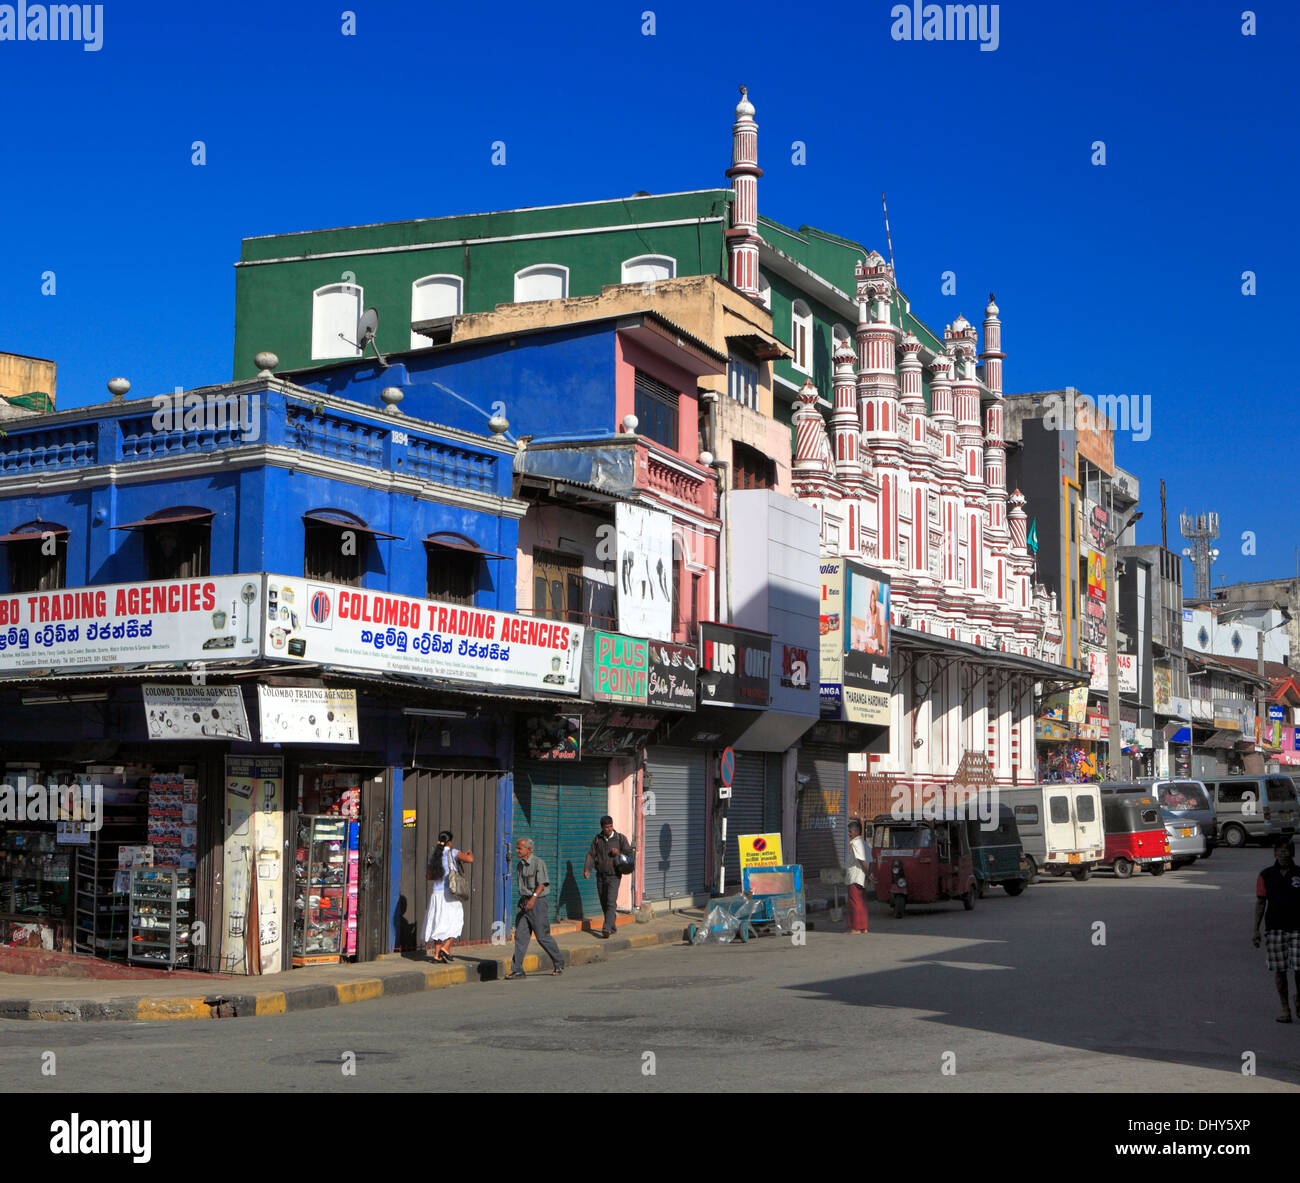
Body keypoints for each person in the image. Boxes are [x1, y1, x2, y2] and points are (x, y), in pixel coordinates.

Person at [1253, 839, 1300, 1022]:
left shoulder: (1299, 874)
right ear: (1275, 854)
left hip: (1297, 928)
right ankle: (1285, 1008)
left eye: (1287, 850)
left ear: (1292, 853)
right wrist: (1255, 930)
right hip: (1274, 929)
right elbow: (1260, 902)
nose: (1283, 854)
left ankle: (1299, 1000)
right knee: (1280, 971)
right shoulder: (1266, 875)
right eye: (1280, 850)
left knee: (1299, 969)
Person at [505, 837, 564, 979]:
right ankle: (517, 969)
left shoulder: (538, 863)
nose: (517, 850)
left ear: (529, 850)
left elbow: (542, 884)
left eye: (520, 848)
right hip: (524, 902)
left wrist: (533, 899)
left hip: (537, 902)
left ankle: (558, 962)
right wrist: (525, 901)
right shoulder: (520, 865)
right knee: (521, 936)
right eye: (517, 848)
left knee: (542, 937)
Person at [423, 830, 473, 964]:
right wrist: (469, 853)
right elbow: (470, 859)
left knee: (437, 923)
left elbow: (428, 876)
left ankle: (437, 955)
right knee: (457, 921)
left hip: (436, 895)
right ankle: (445, 948)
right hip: (449, 894)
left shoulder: (434, 856)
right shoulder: (453, 852)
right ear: (450, 842)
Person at [583, 814, 633, 938]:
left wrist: (618, 852)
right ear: (602, 827)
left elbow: (629, 854)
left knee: (611, 901)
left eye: (611, 826)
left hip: (614, 875)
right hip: (600, 875)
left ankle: (606, 927)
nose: (609, 829)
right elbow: (591, 854)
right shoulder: (597, 839)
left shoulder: (620, 839)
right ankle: (612, 925)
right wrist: (587, 869)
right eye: (607, 827)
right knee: (604, 902)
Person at [845, 819, 872, 934]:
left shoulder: (856, 843)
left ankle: (856, 928)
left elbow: (862, 860)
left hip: (856, 877)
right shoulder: (866, 844)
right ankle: (863, 927)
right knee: (861, 902)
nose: (849, 834)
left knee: (855, 902)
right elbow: (872, 861)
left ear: (856, 832)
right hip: (862, 877)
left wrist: (868, 875)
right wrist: (869, 874)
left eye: (850, 832)